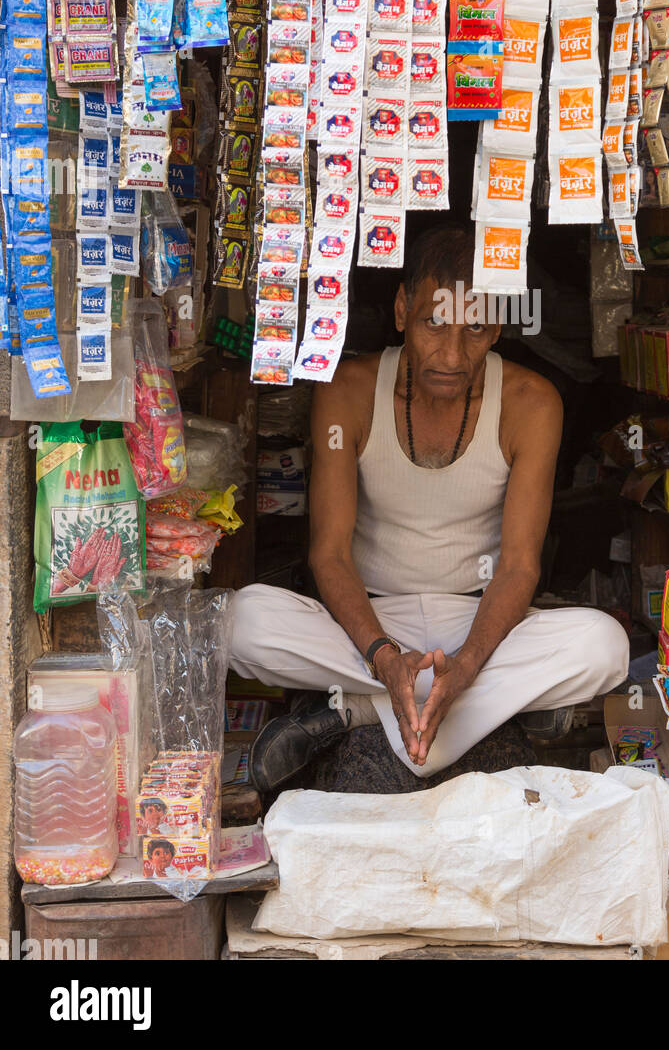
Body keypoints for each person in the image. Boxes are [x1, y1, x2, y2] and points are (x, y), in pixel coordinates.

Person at [232, 224, 629, 791]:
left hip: (478, 621)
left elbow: (518, 567)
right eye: (433, 323)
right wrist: (383, 656)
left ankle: (356, 711)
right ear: (401, 311)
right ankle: (493, 702)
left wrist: (466, 664)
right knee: (244, 621)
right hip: (368, 623)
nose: (451, 354)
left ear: (496, 327)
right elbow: (329, 554)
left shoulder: (531, 403)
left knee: (605, 647)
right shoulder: (347, 390)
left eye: (474, 329)